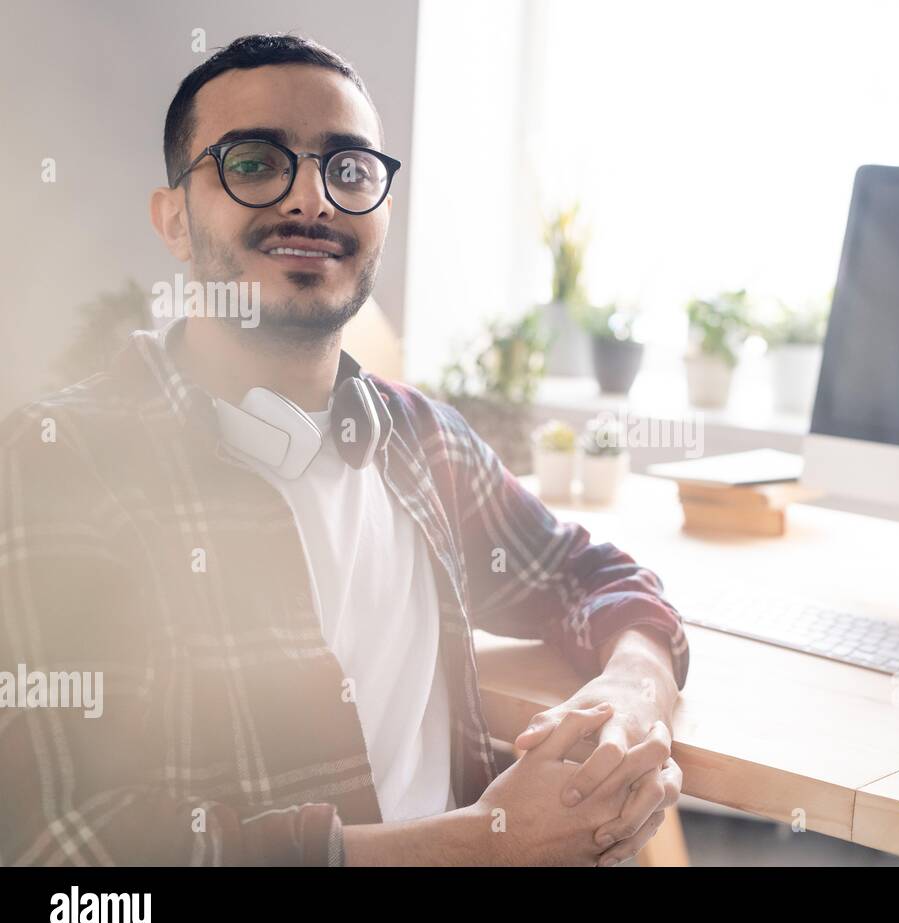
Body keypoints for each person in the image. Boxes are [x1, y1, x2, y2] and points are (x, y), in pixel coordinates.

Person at [0, 33, 688, 866]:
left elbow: (595, 578)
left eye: (350, 170)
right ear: (174, 220)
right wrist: (479, 847)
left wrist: (635, 685)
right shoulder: (56, 464)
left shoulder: (422, 442)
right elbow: (63, 850)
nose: (312, 202)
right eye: (255, 164)